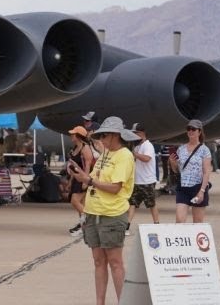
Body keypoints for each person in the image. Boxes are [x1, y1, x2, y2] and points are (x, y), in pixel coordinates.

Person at [67, 117, 136, 305]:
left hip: (112, 214)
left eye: (103, 135)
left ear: (115, 136)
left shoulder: (124, 155)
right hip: (93, 212)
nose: (101, 139)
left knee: (115, 261)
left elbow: (115, 187)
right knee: (98, 261)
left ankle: (123, 301)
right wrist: (79, 175)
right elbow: (93, 178)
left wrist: (88, 181)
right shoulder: (104, 155)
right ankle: (100, 302)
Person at [172, 119, 213, 224]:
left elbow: (206, 172)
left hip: (197, 187)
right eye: (188, 129)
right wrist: (173, 163)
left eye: (193, 129)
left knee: (197, 223)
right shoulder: (181, 149)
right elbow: (176, 170)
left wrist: (202, 191)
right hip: (183, 188)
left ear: (199, 132)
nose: (190, 131)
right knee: (179, 220)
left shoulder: (204, 150)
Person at [127, 123, 159, 232]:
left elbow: (147, 158)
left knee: (151, 204)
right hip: (137, 181)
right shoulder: (137, 146)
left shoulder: (148, 145)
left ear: (142, 133)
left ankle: (157, 224)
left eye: (136, 133)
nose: (134, 135)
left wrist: (134, 154)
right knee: (132, 203)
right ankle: (127, 225)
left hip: (147, 181)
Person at [67, 125, 96, 234]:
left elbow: (88, 165)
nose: (71, 136)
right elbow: (73, 166)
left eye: (73, 134)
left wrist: (86, 180)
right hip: (76, 178)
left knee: (74, 201)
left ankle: (89, 220)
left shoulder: (85, 148)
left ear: (78, 136)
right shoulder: (75, 148)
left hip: (83, 177)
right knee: (82, 204)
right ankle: (84, 227)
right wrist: (70, 181)